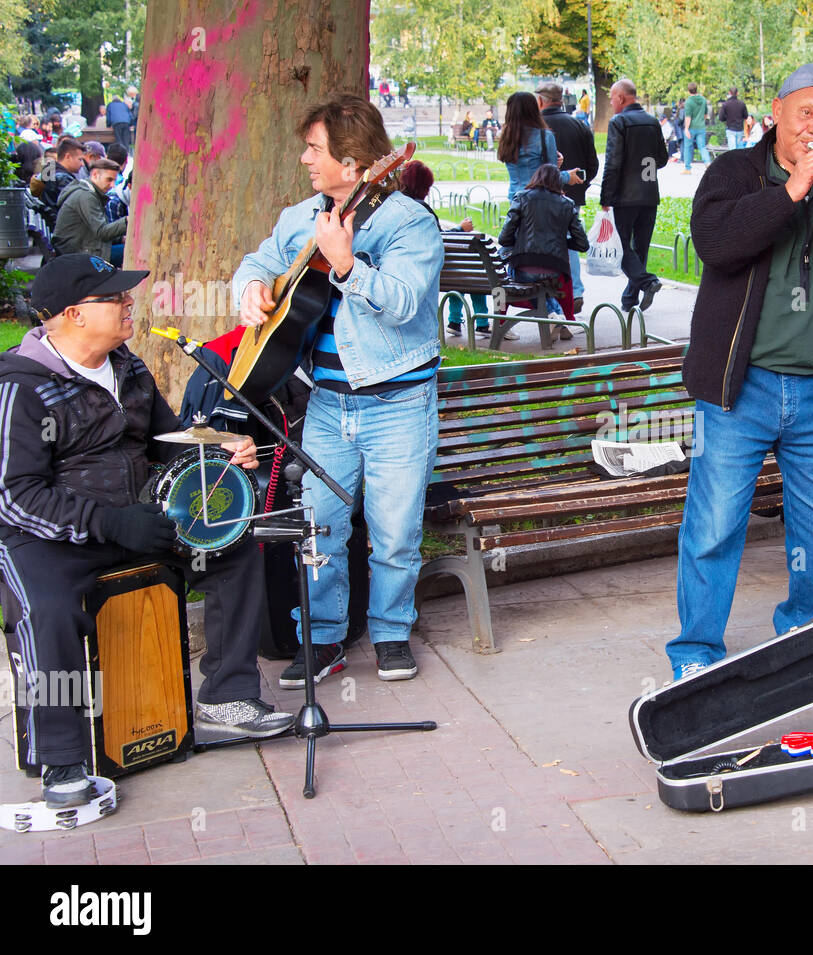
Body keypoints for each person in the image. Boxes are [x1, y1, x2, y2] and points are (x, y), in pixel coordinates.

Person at [0, 255, 293, 808]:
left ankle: (227, 696)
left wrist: (219, 450)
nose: (128, 303)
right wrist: (109, 522)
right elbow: (14, 495)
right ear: (73, 314)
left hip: (139, 518)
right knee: (48, 610)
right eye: (114, 297)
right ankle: (61, 756)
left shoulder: (128, 367)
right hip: (50, 536)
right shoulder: (21, 386)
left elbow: (166, 441)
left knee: (232, 548)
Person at [665, 63, 813, 681]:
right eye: (806, 114)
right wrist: (791, 191)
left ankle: (804, 642)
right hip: (739, 388)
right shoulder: (733, 173)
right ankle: (696, 656)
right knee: (714, 528)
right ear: (776, 112)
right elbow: (715, 244)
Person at [234, 94, 443, 685]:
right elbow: (256, 262)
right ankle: (321, 638)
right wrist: (250, 288)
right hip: (327, 403)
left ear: (352, 161)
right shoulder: (300, 218)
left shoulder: (409, 223)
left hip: (399, 404)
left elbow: (404, 304)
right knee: (319, 528)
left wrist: (347, 265)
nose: (305, 159)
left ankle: (392, 632)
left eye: (315, 149)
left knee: (395, 534)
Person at [396, 160, 497, 339]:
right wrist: (461, 229)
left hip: (413, 271)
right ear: (423, 187)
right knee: (472, 275)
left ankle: (455, 321)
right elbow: (439, 237)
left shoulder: (395, 206)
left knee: (463, 276)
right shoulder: (422, 210)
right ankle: (481, 323)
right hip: (433, 272)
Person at [498, 164, 589, 342]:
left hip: (524, 268)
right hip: (555, 272)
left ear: (536, 178)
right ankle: (563, 319)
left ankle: (549, 317)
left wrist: (520, 241)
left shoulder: (521, 198)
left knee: (509, 281)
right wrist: (561, 242)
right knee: (559, 280)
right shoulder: (567, 204)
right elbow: (582, 244)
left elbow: (504, 237)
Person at [600, 78, 668, 313]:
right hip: (649, 194)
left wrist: (606, 197)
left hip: (625, 196)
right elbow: (662, 158)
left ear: (621, 98)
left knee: (619, 247)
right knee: (640, 248)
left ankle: (647, 282)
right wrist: (643, 165)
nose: (611, 102)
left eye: (612, 98)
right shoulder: (652, 122)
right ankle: (630, 299)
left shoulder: (619, 122)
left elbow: (613, 162)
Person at [537, 83, 599, 314]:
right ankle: (575, 290)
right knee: (569, 240)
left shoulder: (536, 127)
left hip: (541, 195)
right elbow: (592, 165)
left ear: (541, 101)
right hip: (572, 195)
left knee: (545, 244)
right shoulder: (579, 125)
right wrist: (580, 184)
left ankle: (555, 293)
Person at [497, 92, 579, 202]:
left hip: (515, 199)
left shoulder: (507, 138)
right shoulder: (544, 136)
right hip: (537, 201)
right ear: (534, 109)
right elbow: (551, 176)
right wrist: (568, 176)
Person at [53, 158, 127, 262]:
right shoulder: (86, 196)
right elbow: (102, 232)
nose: (112, 185)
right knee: (134, 251)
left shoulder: (87, 191)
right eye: (109, 180)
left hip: (79, 248)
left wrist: (120, 239)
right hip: (79, 255)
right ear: (95, 175)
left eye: (114, 180)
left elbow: (98, 232)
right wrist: (127, 221)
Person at [680, 81, 709, 174]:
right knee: (702, 147)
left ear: (689, 91)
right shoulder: (703, 100)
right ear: (696, 89)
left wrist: (686, 128)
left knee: (688, 147)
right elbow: (705, 114)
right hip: (701, 127)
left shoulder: (688, 102)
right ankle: (708, 163)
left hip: (691, 128)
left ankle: (687, 168)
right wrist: (701, 121)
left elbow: (688, 116)